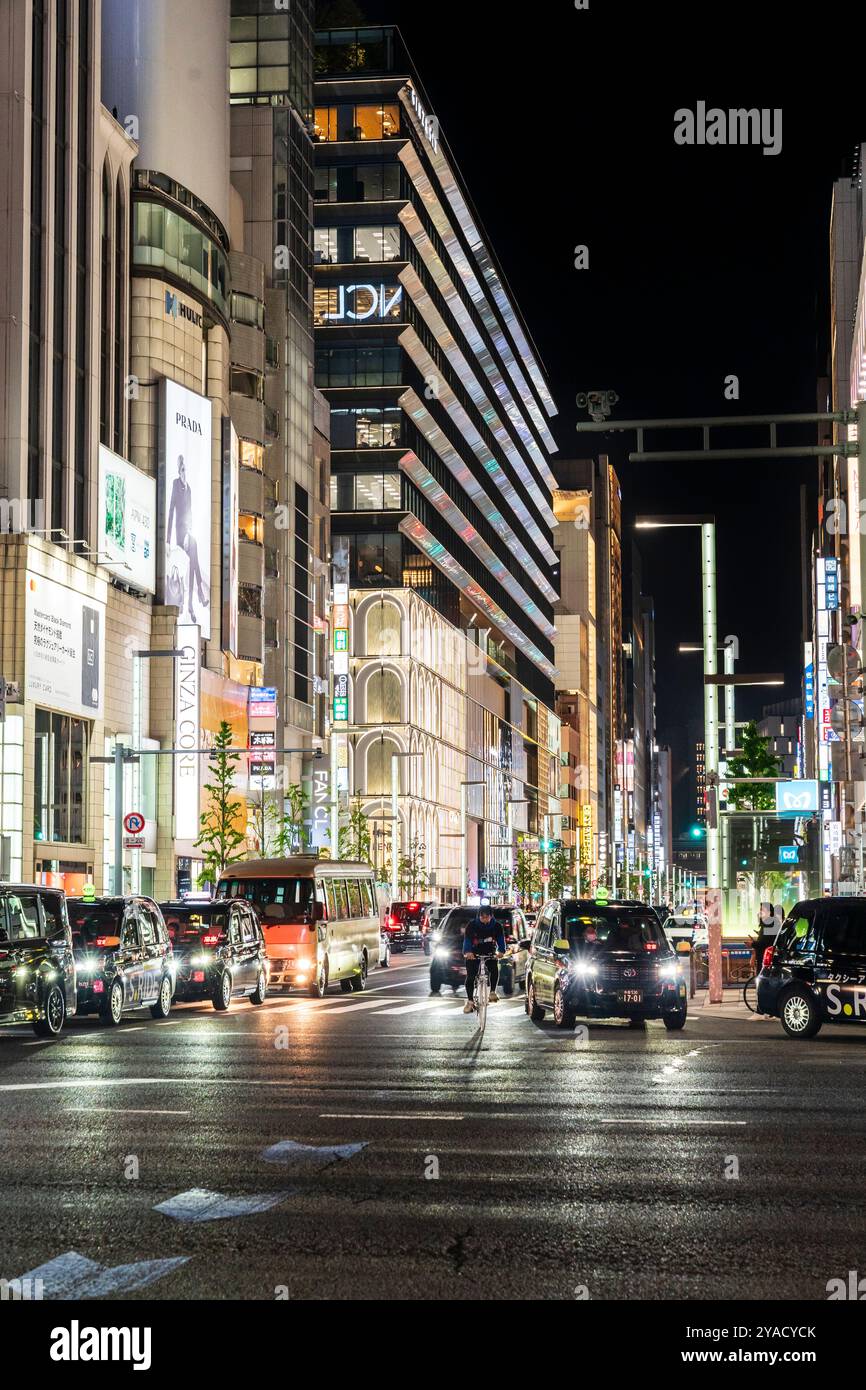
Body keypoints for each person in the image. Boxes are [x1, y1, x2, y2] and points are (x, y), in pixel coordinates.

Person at [167, 454, 209, 624]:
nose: (184, 472)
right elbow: (171, 510)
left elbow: (190, 512)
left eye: (186, 469)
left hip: (187, 531)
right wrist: (168, 540)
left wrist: (189, 533)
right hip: (178, 532)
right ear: (179, 470)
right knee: (191, 561)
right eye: (182, 469)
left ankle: (193, 600)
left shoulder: (189, 488)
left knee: (193, 559)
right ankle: (197, 594)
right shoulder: (176, 484)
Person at [462, 906, 506, 1014]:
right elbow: (467, 940)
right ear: (479, 916)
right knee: (471, 976)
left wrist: (501, 951)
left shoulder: (497, 926)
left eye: (487, 917)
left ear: (491, 916)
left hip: (489, 952)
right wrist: (468, 952)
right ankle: (470, 1001)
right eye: (483, 917)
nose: (485, 919)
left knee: (494, 969)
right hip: (474, 953)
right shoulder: (472, 925)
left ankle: (492, 992)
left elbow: (501, 940)